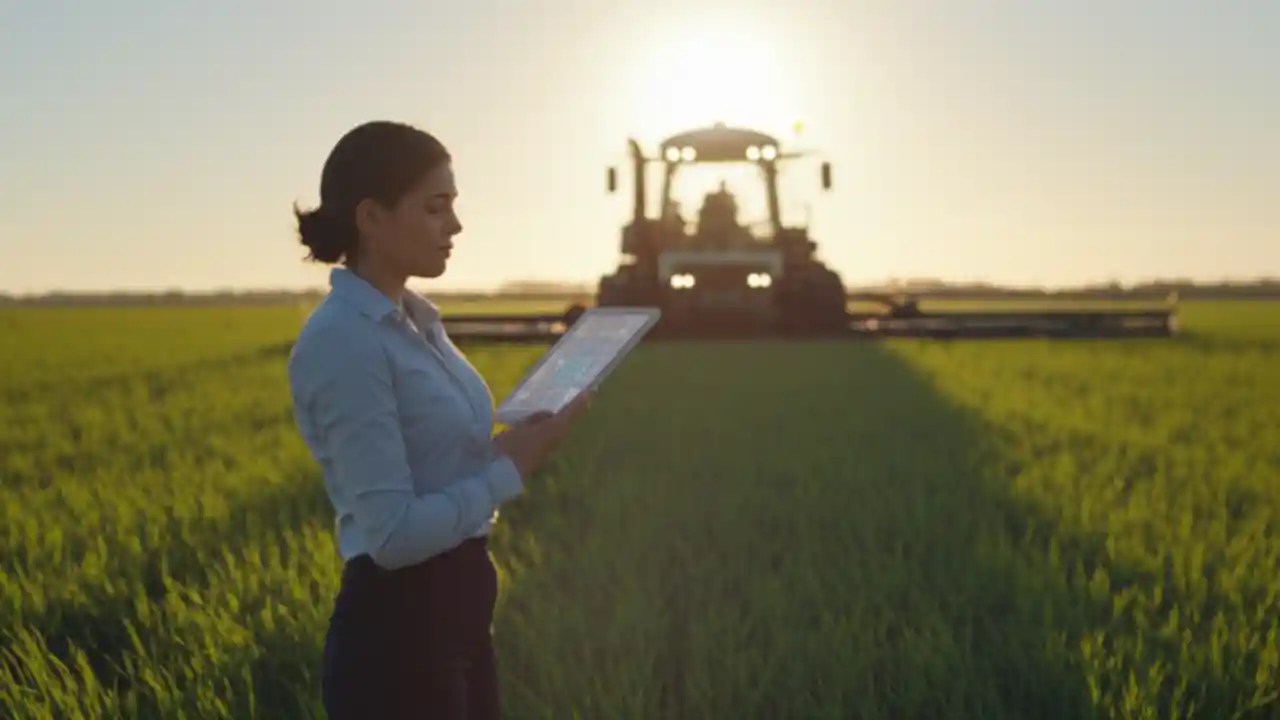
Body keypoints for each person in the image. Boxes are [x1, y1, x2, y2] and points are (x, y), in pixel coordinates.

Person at [287, 120, 592, 719]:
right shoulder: (345, 342)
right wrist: (513, 467)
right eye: (435, 207)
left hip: (457, 619)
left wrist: (522, 436)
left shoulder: (419, 324)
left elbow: (443, 467)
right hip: (398, 643)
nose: (455, 226)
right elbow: (394, 536)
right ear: (371, 218)